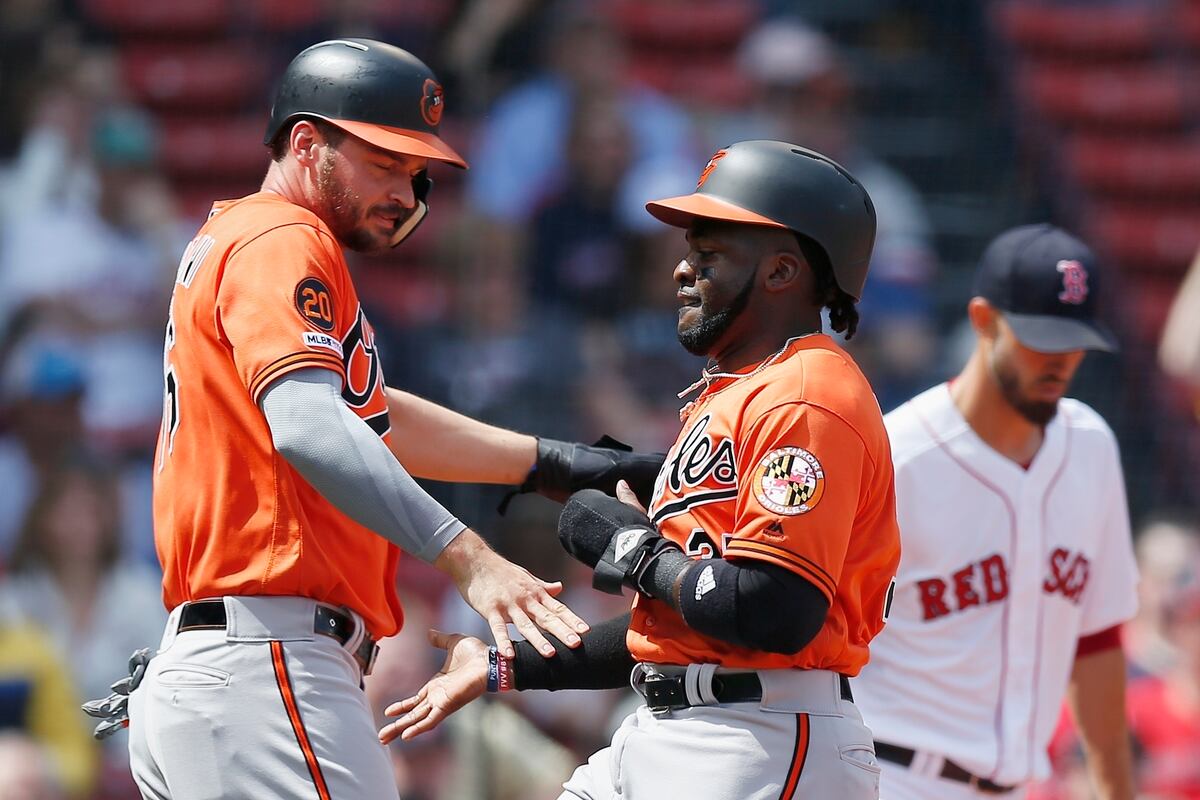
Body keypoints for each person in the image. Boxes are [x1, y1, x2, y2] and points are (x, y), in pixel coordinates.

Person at [118, 39, 622, 800]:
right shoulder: (283, 237)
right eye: (383, 161)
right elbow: (312, 428)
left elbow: (369, 415)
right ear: (306, 143)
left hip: (231, 668)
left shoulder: (247, 237)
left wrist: (549, 461)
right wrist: (470, 559)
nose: (405, 189)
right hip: (270, 662)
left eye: (412, 170)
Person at [380, 140, 902, 799]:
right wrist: (498, 667)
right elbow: (672, 628)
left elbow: (776, 611)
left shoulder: (806, 397)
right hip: (674, 725)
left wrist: (635, 549)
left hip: (760, 740)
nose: (683, 270)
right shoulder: (737, 394)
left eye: (708, 254)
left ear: (781, 272)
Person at [852, 224, 1139, 799]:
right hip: (890, 777)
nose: (1060, 360)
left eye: (1074, 341)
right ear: (983, 320)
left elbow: (1098, 640)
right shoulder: (896, 455)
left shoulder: (1091, 446)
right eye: (1042, 339)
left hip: (1017, 787)